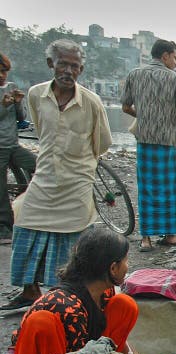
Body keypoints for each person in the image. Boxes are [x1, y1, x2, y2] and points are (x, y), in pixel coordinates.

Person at [1, 227, 176, 354]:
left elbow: (111, 346)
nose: (128, 265)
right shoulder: (68, 310)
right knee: (42, 322)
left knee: (124, 305)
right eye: (126, 261)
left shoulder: (103, 291)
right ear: (112, 268)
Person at [1, 40, 112, 311]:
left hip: (76, 180)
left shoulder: (91, 102)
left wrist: (80, 163)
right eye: (62, 63)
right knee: (25, 224)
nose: (68, 71)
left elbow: (103, 143)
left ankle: (64, 295)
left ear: (81, 69)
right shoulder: (37, 95)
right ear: (51, 64)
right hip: (45, 175)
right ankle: (29, 291)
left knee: (72, 238)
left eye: (74, 66)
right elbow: (42, 130)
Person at [121, 39, 176, 252]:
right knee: (169, 188)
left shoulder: (134, 74)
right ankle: (171, 235)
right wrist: (171, 118)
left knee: (147, 188)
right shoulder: (175, 79)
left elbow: (125, 106)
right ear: (165, 56)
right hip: (166, 140)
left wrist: (142, 116)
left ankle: (146, 238)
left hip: (144, 139)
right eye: (174, 56)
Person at [0, 52, 36, 245]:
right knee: (1, 189)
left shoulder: (11, 87)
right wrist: (3, 106)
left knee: (40, 167)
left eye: (4, 71)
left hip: (13, 145)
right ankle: (5, 227)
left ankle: (32, 209)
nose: (1, 75)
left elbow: (20, 118)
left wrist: (18, 102)